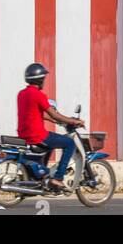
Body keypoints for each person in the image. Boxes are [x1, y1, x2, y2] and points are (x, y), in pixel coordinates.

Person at [17, 62, 84, 193]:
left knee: (52, 143)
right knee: (69, 143)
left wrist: (56, 120)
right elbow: (54, 114)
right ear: (40, 79)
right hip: (37, 135)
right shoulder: (38, 95)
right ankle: (58, 178)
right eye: (44, 79)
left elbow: (39, 114)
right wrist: (73, 121)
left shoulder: (22, 94)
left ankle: (43, 175)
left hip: (24, 134)